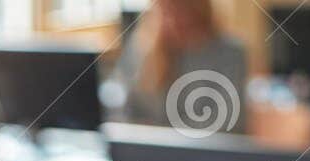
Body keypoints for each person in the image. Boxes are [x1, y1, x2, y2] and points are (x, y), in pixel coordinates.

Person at [106, 0, 248, 129]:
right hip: (148, 149)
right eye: (167, 12)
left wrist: (160, 134)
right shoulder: (144, 47)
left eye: (182, 10)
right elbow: (117, 94)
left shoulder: (230, 52)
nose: (174, 20)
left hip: (205, 152)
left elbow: (227, 121)